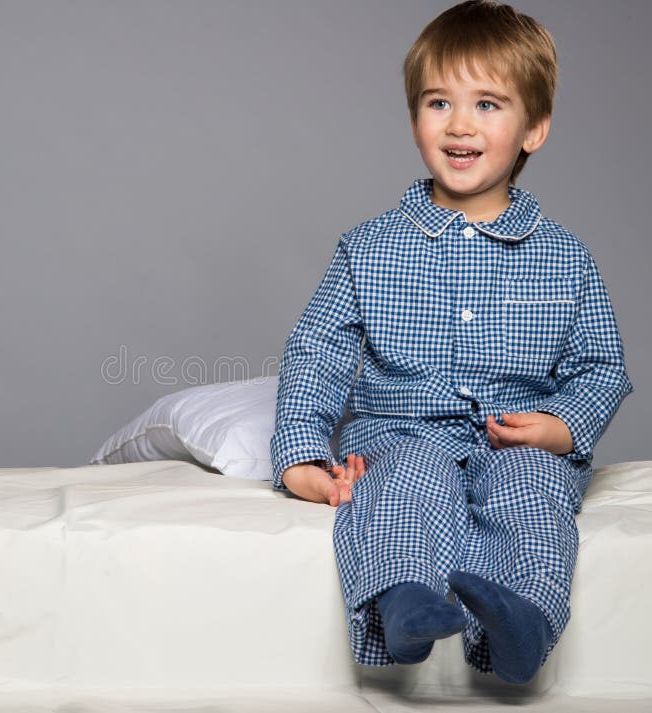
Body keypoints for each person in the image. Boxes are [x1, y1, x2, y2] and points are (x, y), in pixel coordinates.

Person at [269, 0, 632, 685]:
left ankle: (524, 619)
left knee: (532, 491)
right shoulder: (368, 249)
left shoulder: (564, 258)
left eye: (488, 105)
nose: (460, 124)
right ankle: (406, 602)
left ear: (535, 128)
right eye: (439, 101)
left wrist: (559, 427)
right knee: (405, 481)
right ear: (415, 118)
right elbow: (314, 354)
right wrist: (299, 458)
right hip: (401, 434)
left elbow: (601, 367)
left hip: (514, 443)